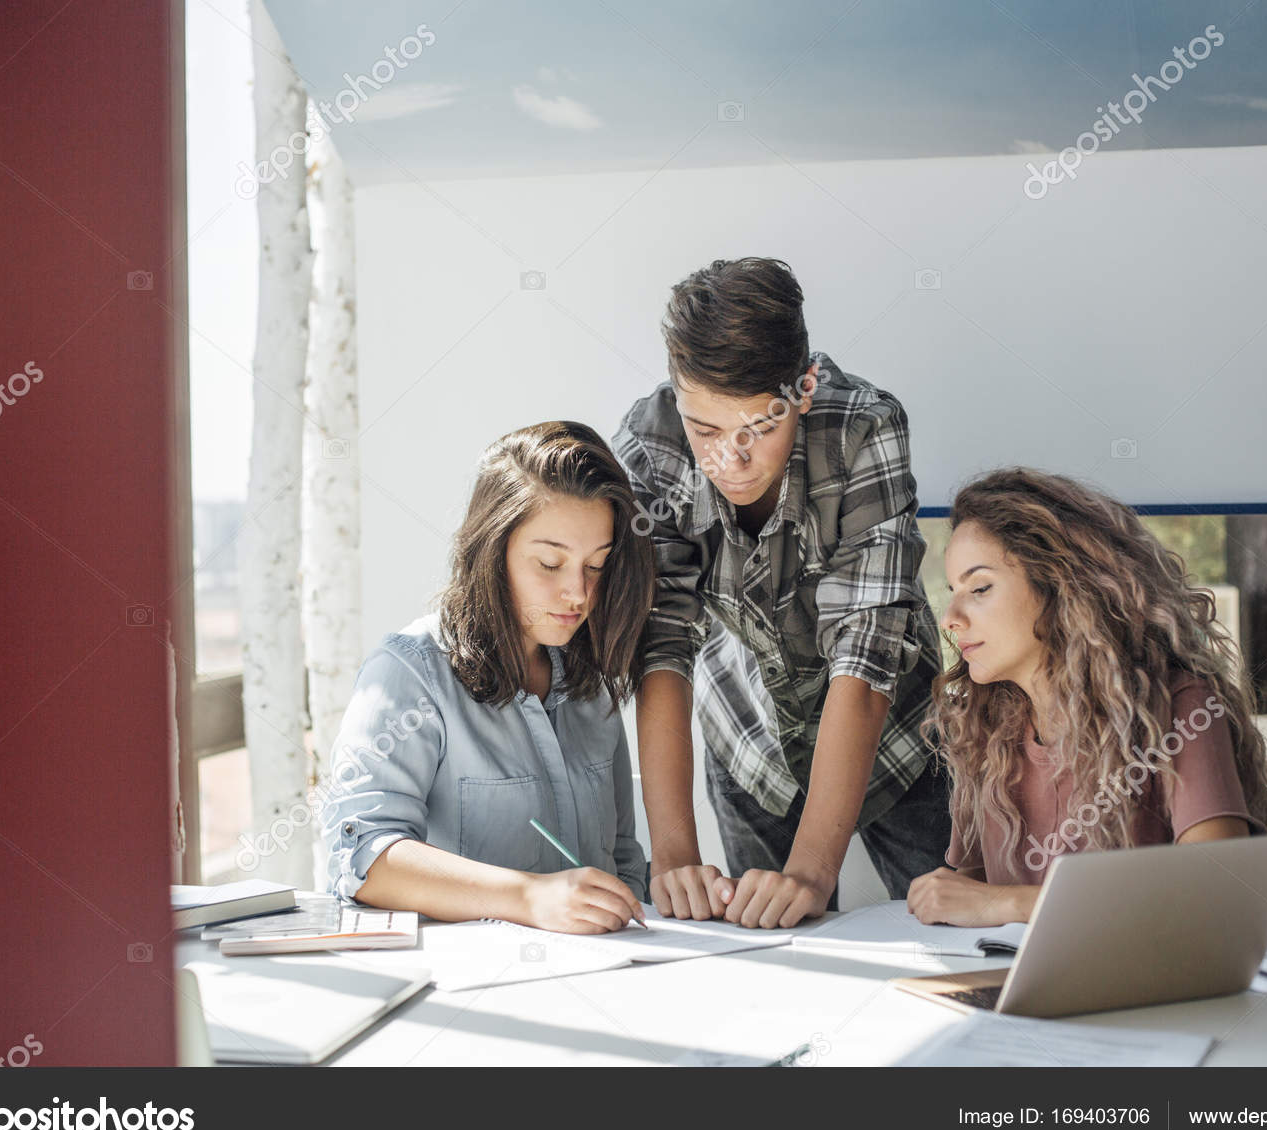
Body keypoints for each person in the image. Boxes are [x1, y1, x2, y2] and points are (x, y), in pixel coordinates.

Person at [613, 257, 952, 930]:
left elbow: (866, 654)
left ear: (803, 389)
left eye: (759, 429)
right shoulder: (651, 445)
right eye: (705, 430)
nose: (730, 461)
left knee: (956, 935)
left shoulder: (864, 427)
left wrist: (812, 869)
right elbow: (661, 649)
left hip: (898, 737)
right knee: (769, 946)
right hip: (749, 738)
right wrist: (673, 858)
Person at [907, 467, 1267, 928]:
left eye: (980, 588)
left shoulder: (1178, 706)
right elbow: (972, 892)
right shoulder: (982, 726)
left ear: (1061, 583)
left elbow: (1215, 894)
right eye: (953, 592)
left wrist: (1008, 904)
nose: (950, 617)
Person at [319, 421, 655, 934]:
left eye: (596, 565)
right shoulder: (409, 673)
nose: (579, 594)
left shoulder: (590, 686)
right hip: (460, 979)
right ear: (492, 552)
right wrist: (528, 897)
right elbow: (364, 856)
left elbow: (622, 857)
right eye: (550, 563)